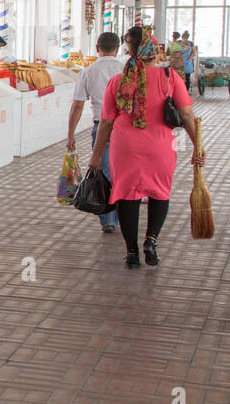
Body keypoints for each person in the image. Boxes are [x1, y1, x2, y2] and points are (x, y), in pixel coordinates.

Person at [88, 26, 205, 268]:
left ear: (130, 51)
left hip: (124, 148)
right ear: (154, 52)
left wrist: (96, 155)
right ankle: (151, 241)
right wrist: (198, 147)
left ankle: (131, 253)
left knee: (126, 195)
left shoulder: (117, 82)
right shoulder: (170, 77)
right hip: (160, 147)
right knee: (160, 193)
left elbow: (106, 122)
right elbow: (186, 114)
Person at [66, 32, 124, 233]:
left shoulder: (87, 72)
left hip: (101, 127)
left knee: (104, 171)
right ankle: (125, 215)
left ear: (97, 48)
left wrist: (71, 134)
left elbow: (77, 106)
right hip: (127, 127)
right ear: (117, 48)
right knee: (125, 172)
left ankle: (108, 219)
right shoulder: (127, 69)